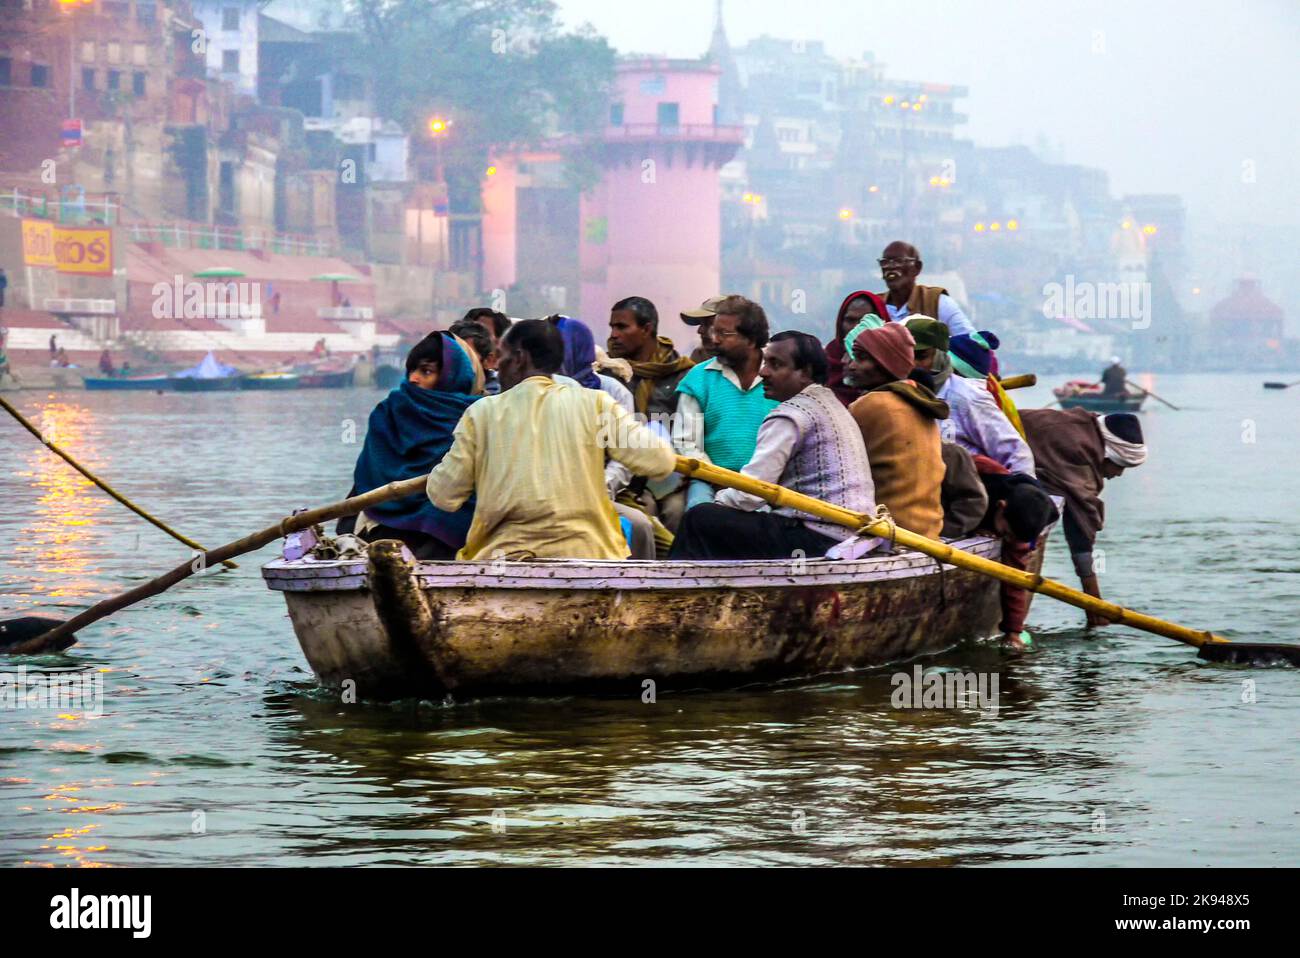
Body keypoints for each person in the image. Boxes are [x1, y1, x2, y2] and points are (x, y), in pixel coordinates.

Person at [426, 319, 676, 560]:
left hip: (501, 560)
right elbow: (660, 462)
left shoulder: (481, 412)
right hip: (589, 557)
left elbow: (444, 495)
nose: (497, 366)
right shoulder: (596, 404)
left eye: (501, 356)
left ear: (520, 358)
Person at [670, 332, 874, 560]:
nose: (763, 372)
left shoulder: (791, 414)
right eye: (765, 362)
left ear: (804, 372)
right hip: (853, 535)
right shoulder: (832, 404)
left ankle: (673, 593)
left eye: (775, 364)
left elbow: (752, 494)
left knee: (699, 517)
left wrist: (716, 503)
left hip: (815, 537)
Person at [347, 331, 484, 559]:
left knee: (459, 511)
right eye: (412, 370)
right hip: (386, 512)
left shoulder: (475, 415)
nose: (413, 378)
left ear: (450, 376)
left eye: (426, 371)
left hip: (443, 513)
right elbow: (370, 473)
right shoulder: (388, 411)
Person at [1020, 408, 1148, 629]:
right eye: (1120, 466)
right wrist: (1094, 601)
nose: (1118, 474)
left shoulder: (1085, 428)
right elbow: (1080, 529)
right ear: (1108, 455)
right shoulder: (1078, 449)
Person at [549, 314, 659, 560]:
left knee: (640, 526)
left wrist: (602, 487)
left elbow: (625, 456)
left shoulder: (611, 392)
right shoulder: (536, 391)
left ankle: (643, 591)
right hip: (546, 496)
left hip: (599, 491)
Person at [843, 323, 948, 540]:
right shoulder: (922, 402)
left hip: (889, 533)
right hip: (928, 533)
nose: (852, 366)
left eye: (862, 359)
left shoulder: (871, 405)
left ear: (885, 365)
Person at [674, 295, 778, 511]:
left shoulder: (779, 377)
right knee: (700, 514)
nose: (715, 339)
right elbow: (686, 442)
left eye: (724, 334)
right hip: (710, 482)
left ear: (750, 339)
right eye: (715, 332)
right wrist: (718, 478)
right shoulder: (697, 379)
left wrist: (752, 484)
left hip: (769, 484)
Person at [607, 295, 694, 528]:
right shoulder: (609, 375)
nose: (613, 335)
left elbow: (692, 433)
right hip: (623, 477)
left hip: (672, 475)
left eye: (622, 327)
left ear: (646, 329)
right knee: (641, 520)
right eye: (612, 327)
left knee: (677, 512)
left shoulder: (682, 374)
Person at [908, 316, 1034, 476]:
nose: (913, 364)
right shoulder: (899, 394)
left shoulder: (966, 397)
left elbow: (1017, 454)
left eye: (921, 356)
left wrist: (1023, 493)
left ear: (940, 356)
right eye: (908, 355)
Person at [973, 463, 1060, 649]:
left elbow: (1015, 579)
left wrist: (1013, 633)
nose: (1007, 538)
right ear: (1000, 507)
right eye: (1006, 533)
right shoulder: (982, 481)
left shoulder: (1027, 521)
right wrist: (973, 527)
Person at [877, 241, 975, 337]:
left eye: (899, 261)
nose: (890, 267)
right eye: (884, 262)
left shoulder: (937, 302)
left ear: (917, 267)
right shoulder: (874, 306)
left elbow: (972, 343)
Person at [825, 289, 891, 406]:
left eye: (864, 321)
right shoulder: (829, 357)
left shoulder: (893, 360)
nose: (856, 327)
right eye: (850, 320)